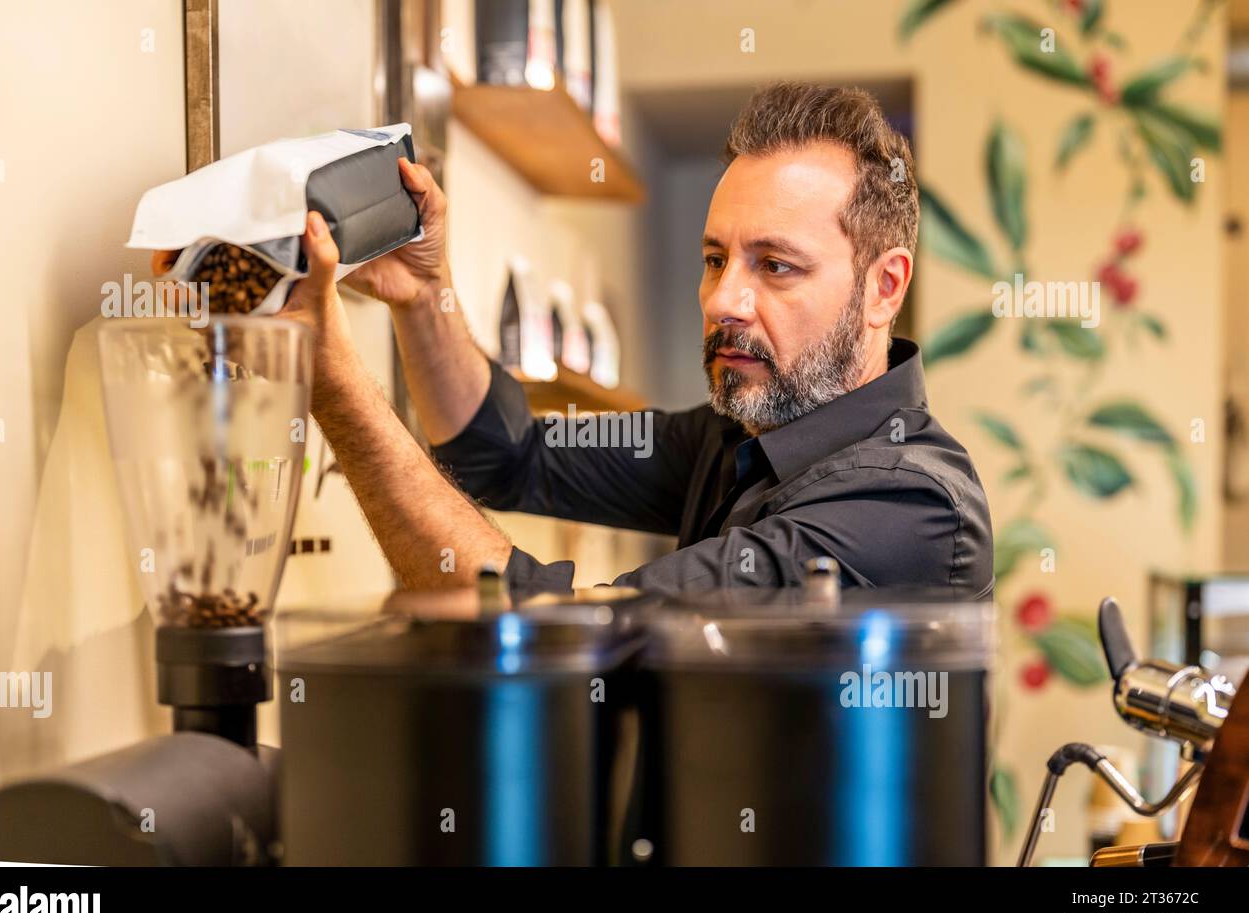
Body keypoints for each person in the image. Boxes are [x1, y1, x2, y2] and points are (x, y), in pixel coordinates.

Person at [158, 82, 994, 596]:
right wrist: (424, 300)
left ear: (885, 287)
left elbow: (570, 647)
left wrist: (330, 384)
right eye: (713, 259)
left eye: (776, 266)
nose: (724, 299)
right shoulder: (737, 438)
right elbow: (503, 454)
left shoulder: (906, 507)